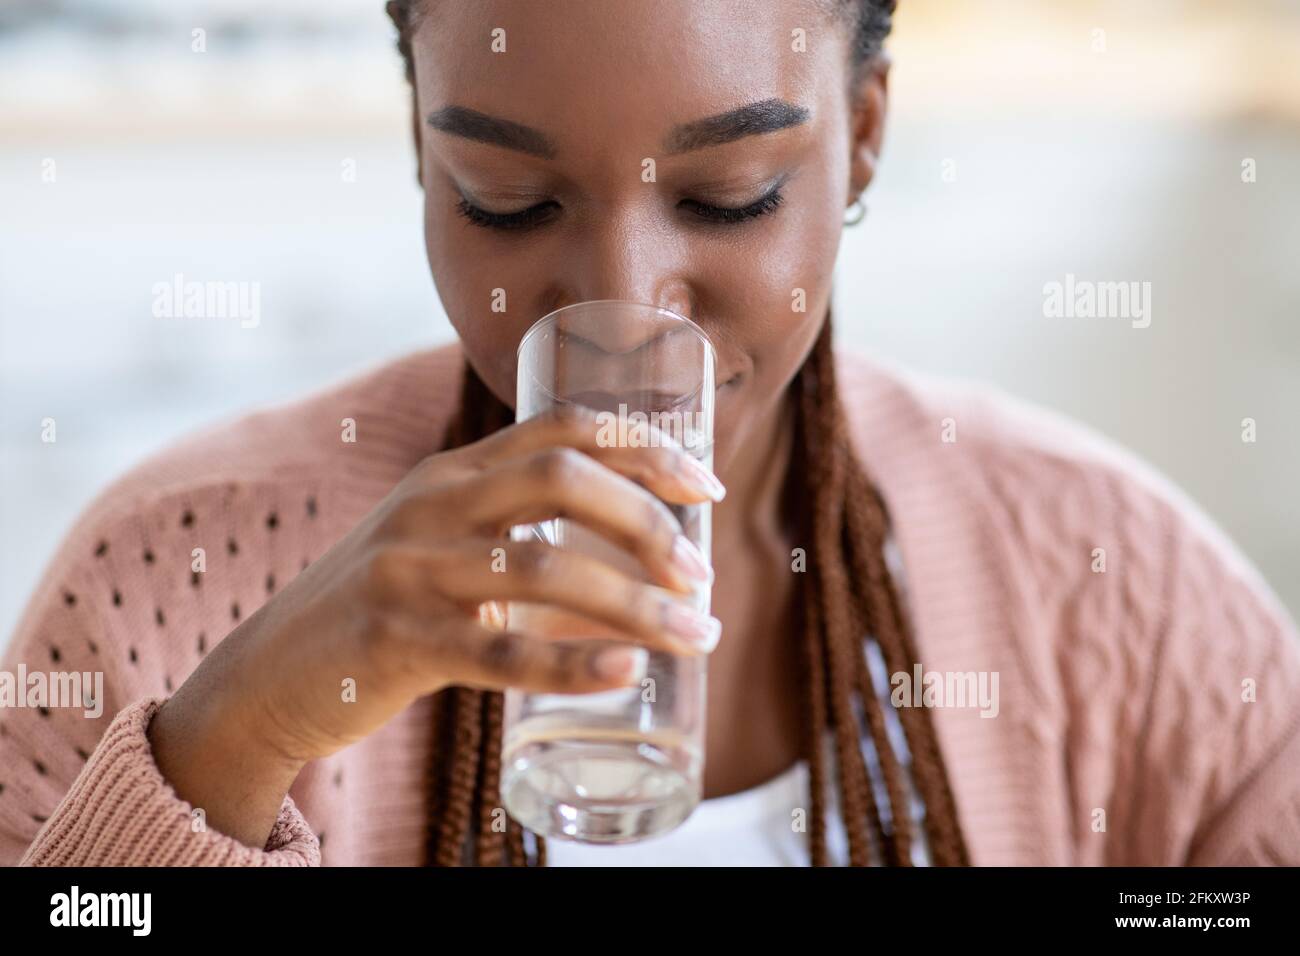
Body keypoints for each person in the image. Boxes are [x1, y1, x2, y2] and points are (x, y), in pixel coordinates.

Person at [3, 0, 1297, 867]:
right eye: (506, 201)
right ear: (421, 152)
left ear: (862, 136)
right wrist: (232, 744)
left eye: (730, 196)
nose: (625, 313)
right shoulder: (164, 580)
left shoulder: (1125, 594)